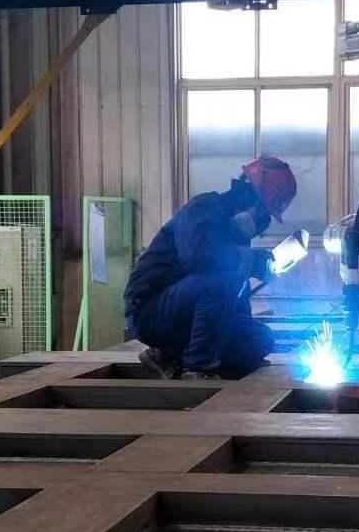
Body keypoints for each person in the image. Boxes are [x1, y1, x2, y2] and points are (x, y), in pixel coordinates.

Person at [126, 157, 297, 380]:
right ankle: (198, 369)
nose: (263, 223)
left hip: (189, 313)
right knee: (222, 278)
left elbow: (236, 293)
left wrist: (245, 331)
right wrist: (250, 260)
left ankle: (169, 356)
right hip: (150, 312)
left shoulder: (237, 236)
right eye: (264, 214)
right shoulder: (204, 207)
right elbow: (196, 257)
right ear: (249, 198)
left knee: (260, 340)